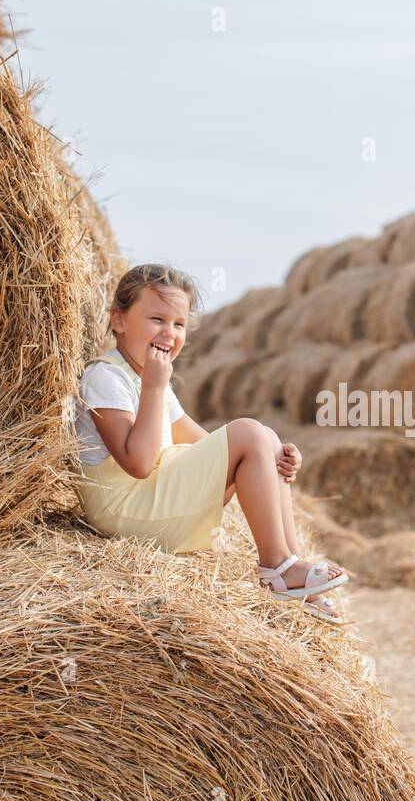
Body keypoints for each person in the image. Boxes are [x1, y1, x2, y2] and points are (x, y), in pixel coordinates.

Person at [73, 263, 348, 621]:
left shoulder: (149, 378)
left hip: (154, 501)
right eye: (157, 319)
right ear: (119, 321)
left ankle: (292, 568)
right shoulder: (106, 378)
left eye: (179, 324)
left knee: (265, 437)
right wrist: (155, 388)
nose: (169, 333)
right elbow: (137, 464)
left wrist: (271, 457)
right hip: (125, 511)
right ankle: (276, 567)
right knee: (250, 432)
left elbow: (210, 445)